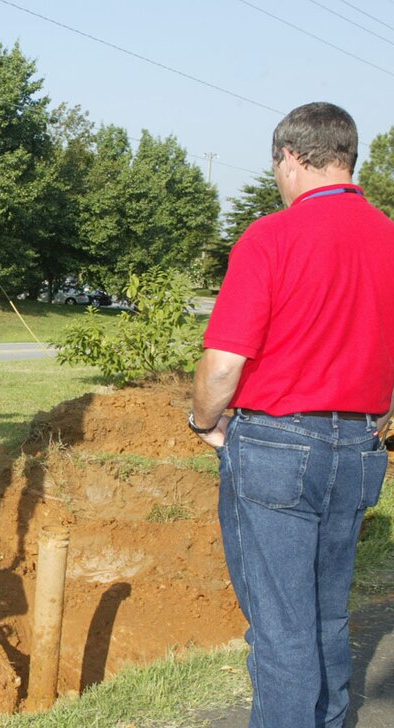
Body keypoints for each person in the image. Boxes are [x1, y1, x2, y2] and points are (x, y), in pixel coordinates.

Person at [191, 101, 394, 727]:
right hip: (358, 448)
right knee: (327, 613)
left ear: (290, 157)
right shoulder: (388, 237)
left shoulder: (271, 237)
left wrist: (204, 422)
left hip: (278, 447)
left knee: (281, 629)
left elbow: (223, 363)